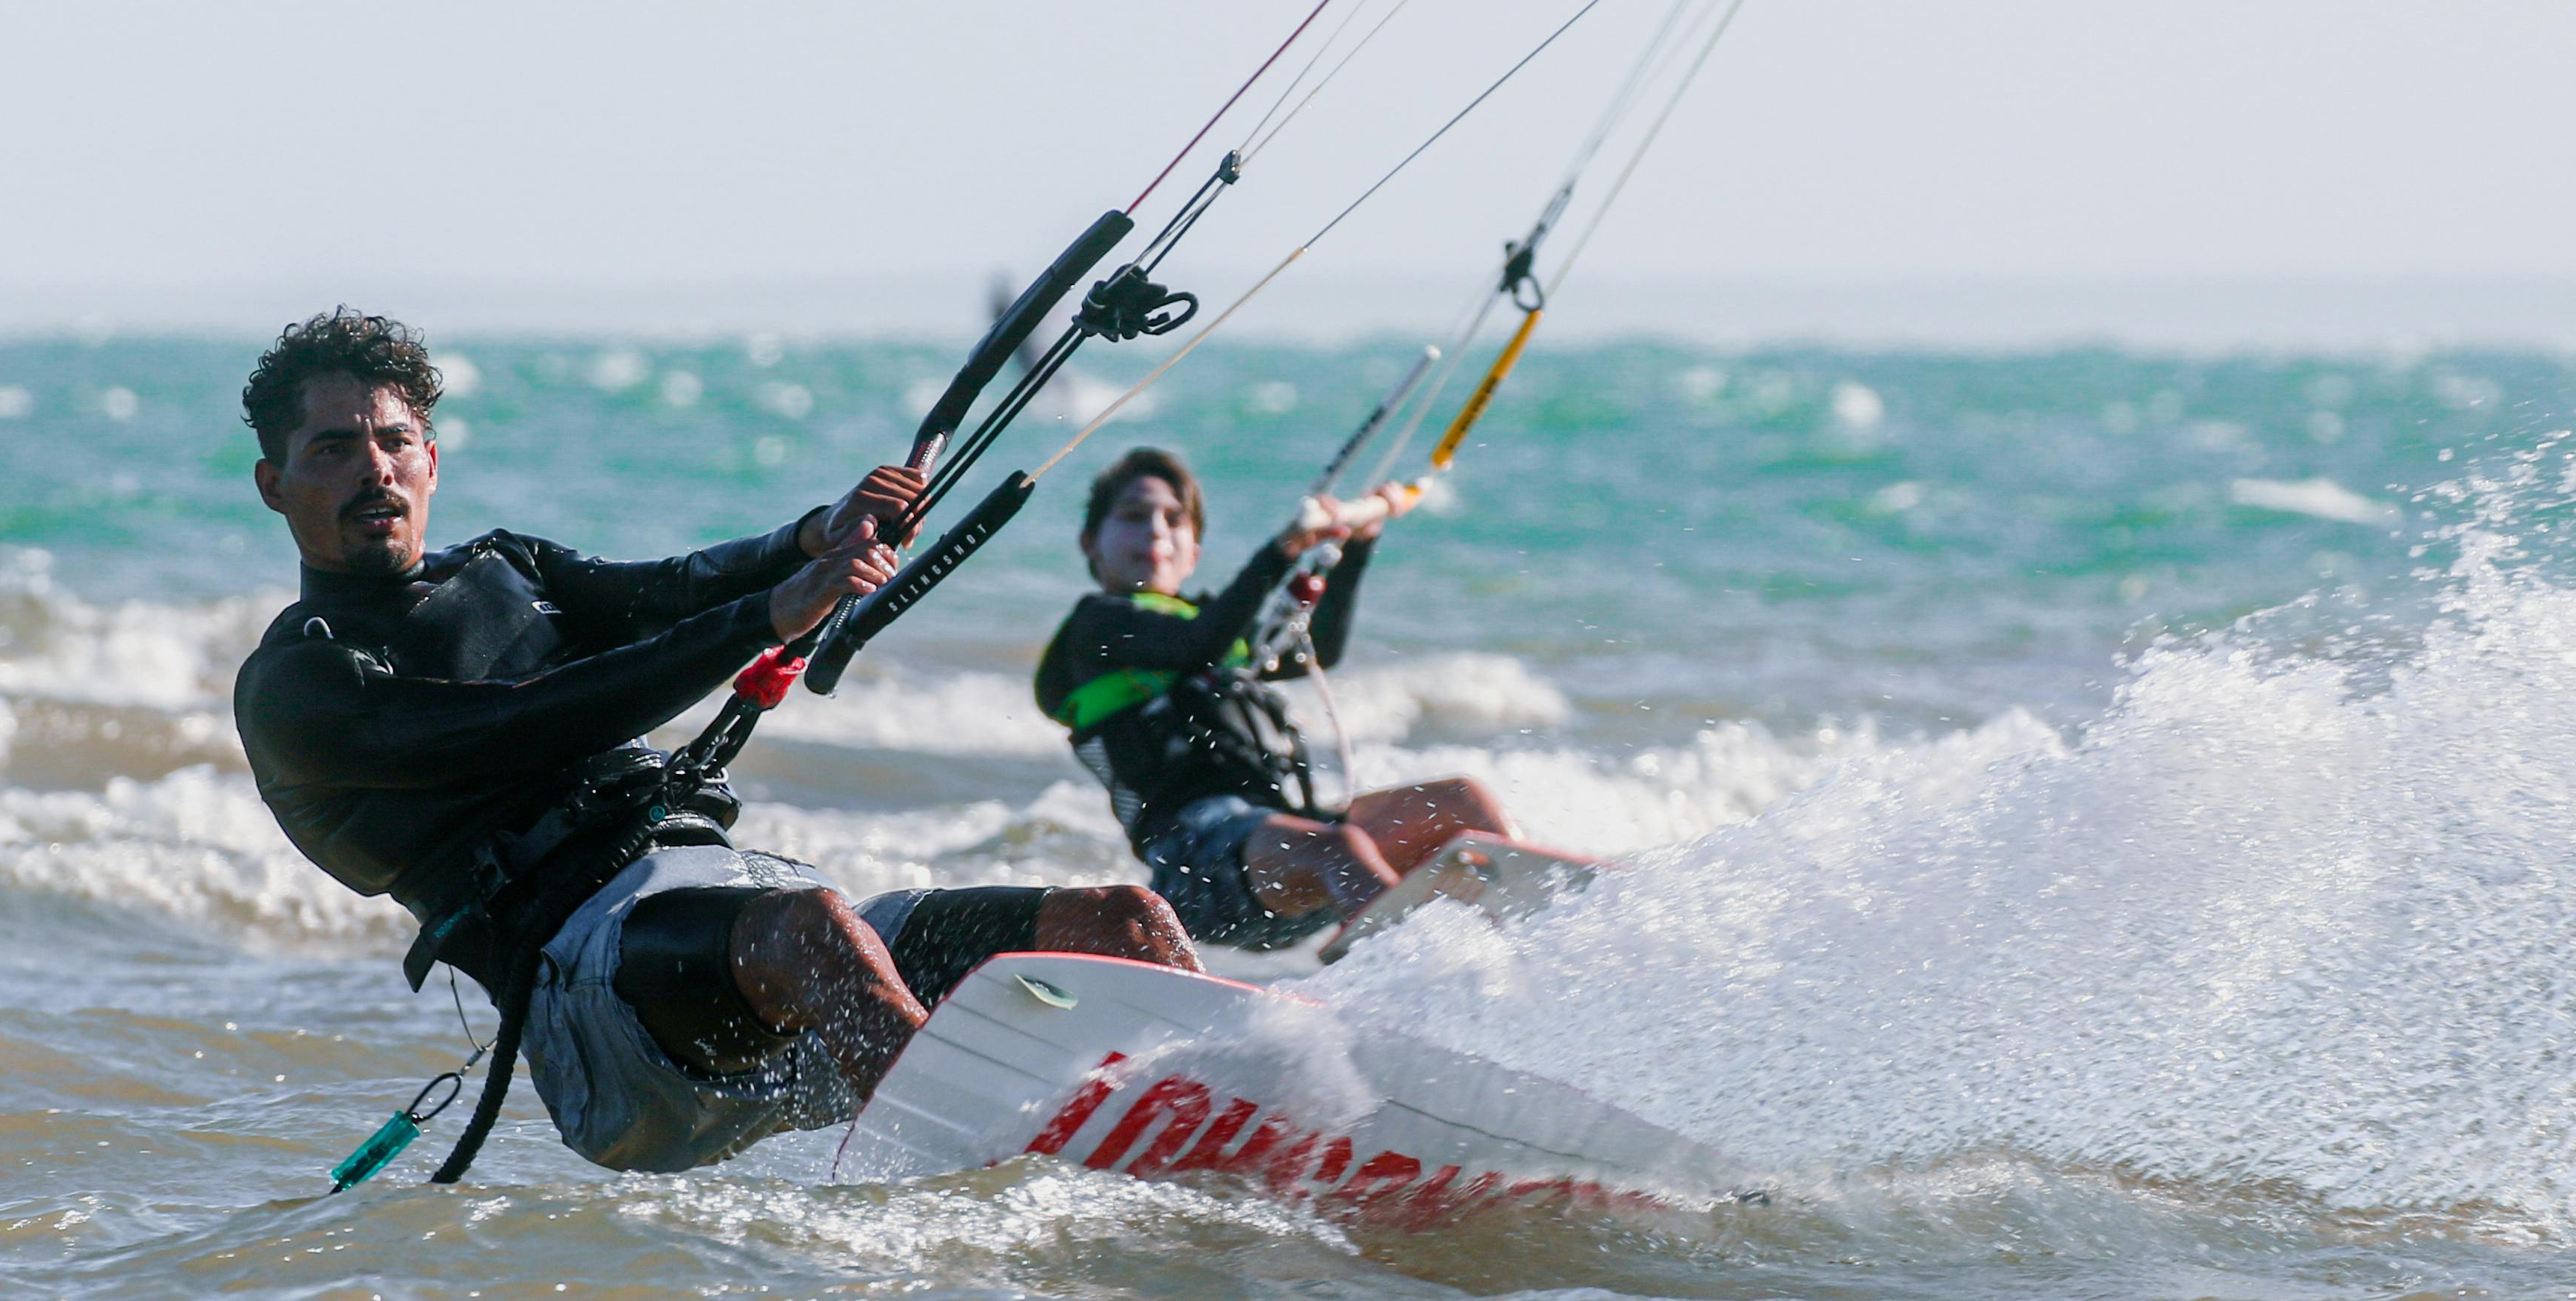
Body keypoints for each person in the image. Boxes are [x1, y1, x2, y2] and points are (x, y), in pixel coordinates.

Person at [231, 309, 1192, 1176]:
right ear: (276, 483)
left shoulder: (503, 565)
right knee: (817, 926)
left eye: (396, 441)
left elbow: (674, 590)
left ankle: (1260, 1126)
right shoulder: (299, 685)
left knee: (1121, 920)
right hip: (602, 1020)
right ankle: (1003, 1209)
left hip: (749, 946)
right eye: (333, 450)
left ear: (432, 461)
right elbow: (534, 719)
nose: (374, 469)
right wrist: (773, 615)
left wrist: (818, 536)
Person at [1036, 441, 1586, 951]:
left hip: (1292, 860)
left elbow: (1317, 647)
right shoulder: (1098, 629)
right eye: (1135, 516)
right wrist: (1282, 550)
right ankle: (1421, 970)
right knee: (1340, 848)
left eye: (1174, 519)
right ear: (1091, 545)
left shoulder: (1218, 633)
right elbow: (1197, 645)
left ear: (1195, 552)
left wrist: (1356, 546)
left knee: (1461, 801)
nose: (1157, 531)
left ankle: (1536, 944)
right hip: (1198, 867)